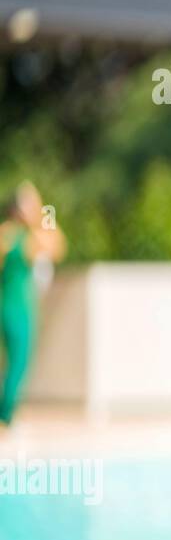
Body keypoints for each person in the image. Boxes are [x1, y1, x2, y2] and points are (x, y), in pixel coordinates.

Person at [0, 181, 67, 429]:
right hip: (19, 309)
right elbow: (57, 244)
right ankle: (4, 416)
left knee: (11, 362)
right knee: (19, 361)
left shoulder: (6, 233)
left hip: (7, 304)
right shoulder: (29, 239)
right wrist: (47, 212)